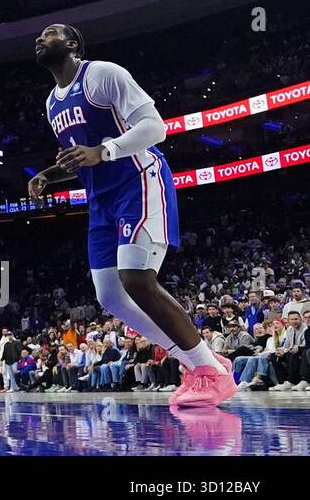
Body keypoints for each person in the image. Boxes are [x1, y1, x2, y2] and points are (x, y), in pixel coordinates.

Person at [28, 24, 236, 408]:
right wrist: (49, 175)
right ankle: (199, 362)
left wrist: (103, 151)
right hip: (100, 198)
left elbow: (155, 128)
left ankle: (211, 372)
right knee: (110, 296)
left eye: (51, 33)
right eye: (39, 36)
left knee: (136, 278)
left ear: (72, 44)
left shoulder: (103, 74)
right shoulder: (51, 102)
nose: (41, 38)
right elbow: (82, 157)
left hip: (137, 180)